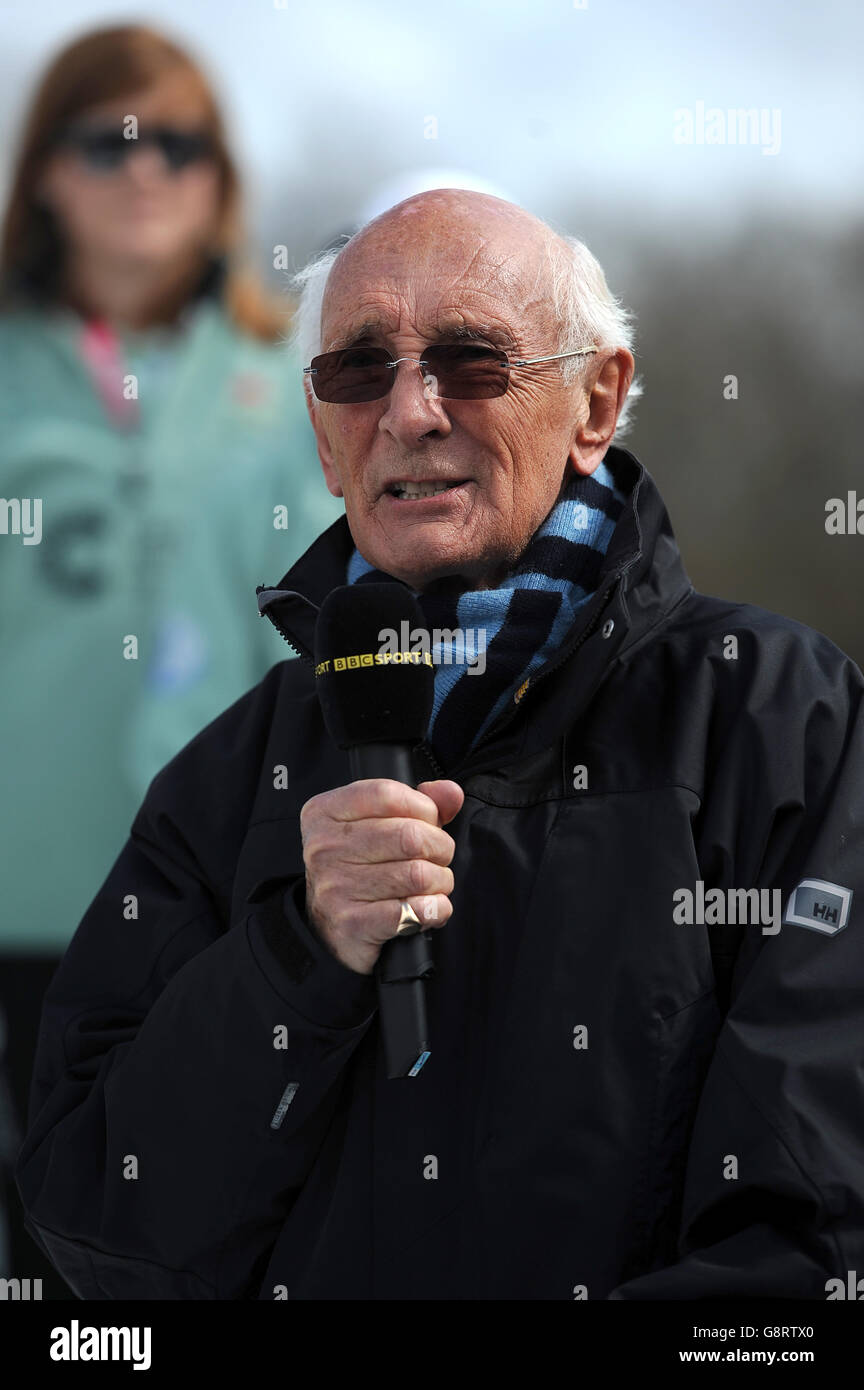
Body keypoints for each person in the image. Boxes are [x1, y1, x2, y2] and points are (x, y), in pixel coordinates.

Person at [16, 190, 864, 1300]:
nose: (410, 412)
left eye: (471, 360)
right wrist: (300, 956)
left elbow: (815, 1245)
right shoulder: (232, 772)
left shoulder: (782, 720)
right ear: (323, 436)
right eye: (359, 370)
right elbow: (100, 1226)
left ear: (596, 402)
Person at [0, 25, 339, 1289]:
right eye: (109, 141)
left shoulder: (308, 374)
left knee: (212, 1235)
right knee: (42, 1254)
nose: (146, 170)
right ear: (46, 172)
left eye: (179, 144)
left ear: (221, 180)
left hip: (230, 897)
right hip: (26, 897)